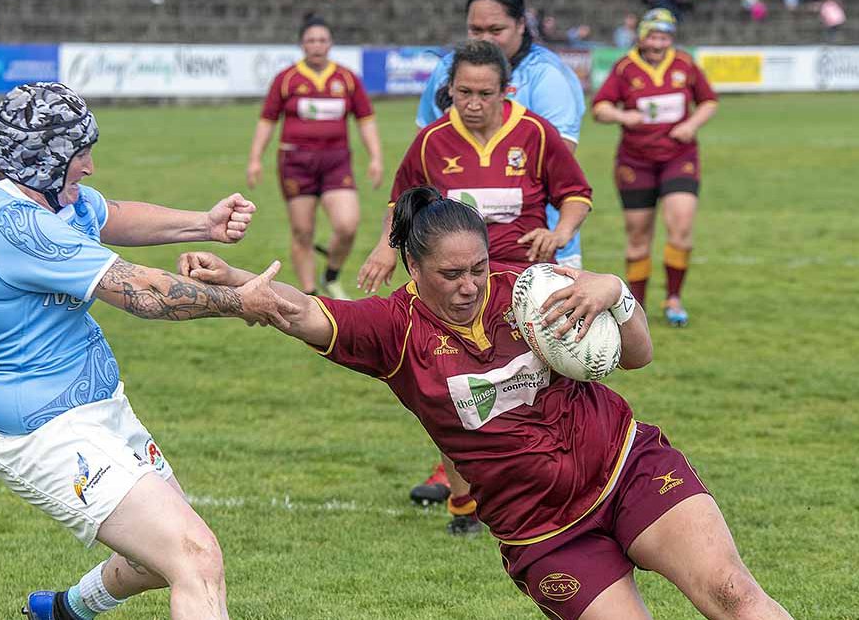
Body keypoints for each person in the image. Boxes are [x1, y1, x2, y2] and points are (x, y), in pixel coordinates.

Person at [178, 185, 795, 620]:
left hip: (627, 466)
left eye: (477, 268)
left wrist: (615, 295)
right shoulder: (391, 330)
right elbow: (305, 311)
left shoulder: (528, 291)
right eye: (450, 275)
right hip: (545, 533)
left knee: (733, 594)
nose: (470, 285)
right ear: (413, 269)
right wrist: (236, 282)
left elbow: (637, 357)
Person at [0, 82, 299, 620]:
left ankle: (65, 610)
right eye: (79, 154)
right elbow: (146, 294)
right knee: (196, 557)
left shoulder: (47, 197)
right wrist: (237, 300)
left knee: (161, 561)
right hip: (49, 431)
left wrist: (202, 224)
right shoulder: (20, 225)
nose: (88, 167)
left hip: (101, 410)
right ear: (45, 158)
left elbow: (111, 213)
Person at [369, 0, 591, 508]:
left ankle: (555, 474)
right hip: (453, 288)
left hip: (524, 281)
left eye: (484, 93)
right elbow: (401, 202)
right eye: (462, 92)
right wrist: (385, 247)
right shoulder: (431, 142)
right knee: (451, 389)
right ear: (450, 90)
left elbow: (576, 194)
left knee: (545, 386)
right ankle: (465, 496)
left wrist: (560, 234)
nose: (472, 103)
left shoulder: (534, 134)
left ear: (505, 89)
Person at [591, 8, 717, 327]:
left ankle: (674, 298)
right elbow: (600, 108)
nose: (659, 42)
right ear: (642, 37)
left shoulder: (685, 64)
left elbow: (709, 101)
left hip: (679, 156)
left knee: (681, 225)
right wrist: (623, 116)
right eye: (653, 35)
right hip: (636, 162)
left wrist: (692, 123)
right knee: (638, 235)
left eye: (665, 36)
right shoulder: (624, 68)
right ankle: (638, 307)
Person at [246, 14, 383, 300]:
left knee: (347, 225)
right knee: (302, 231)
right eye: (311, 40)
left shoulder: (346, 79)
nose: (317, 45)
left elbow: (366, 119)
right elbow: (267, 120)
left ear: (330, 43)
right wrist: (255, 158)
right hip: (296, 163)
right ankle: (310, 297)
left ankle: (330, 275)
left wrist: (375, 157)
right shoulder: (286, 79)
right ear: (302, 44)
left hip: (336, 162)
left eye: (322, 40)